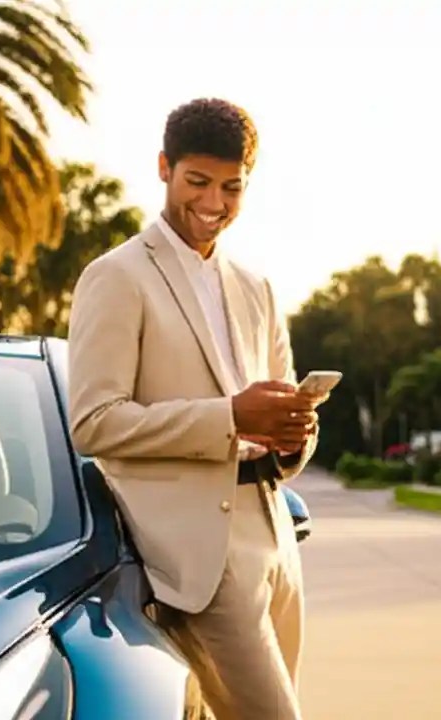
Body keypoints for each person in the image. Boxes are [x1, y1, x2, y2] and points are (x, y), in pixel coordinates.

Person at [67, 97, 324, 720]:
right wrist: (231, 417)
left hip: (275, 542)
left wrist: (294, 435)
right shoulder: (117, 276)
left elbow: (280, 413)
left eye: (231, 188)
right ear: (164, 168)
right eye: (198, 182)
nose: (213, 204)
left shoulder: (257, 285)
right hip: (197, 558)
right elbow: (92, 422)